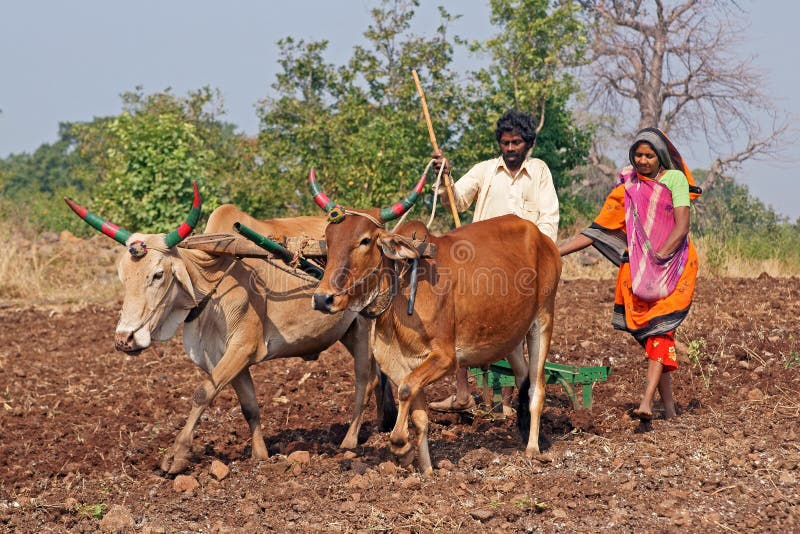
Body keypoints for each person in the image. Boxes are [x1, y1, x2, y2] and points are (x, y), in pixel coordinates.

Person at [558, 127, 701, 423]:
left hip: (674, 267)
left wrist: (661, 254)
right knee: (654, 340)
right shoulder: (629, 187)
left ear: (660, 156)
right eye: (638, 154)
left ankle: (647, 402)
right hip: (640, 273)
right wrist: (554, 251)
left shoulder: (673, 179)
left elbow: (682, 224)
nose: (643, 160)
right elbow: (597, 230)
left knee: (660, 334)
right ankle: (671, 410)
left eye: (649, 155)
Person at [428, 109, 560, 415]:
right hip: (483, 263)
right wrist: (445, 175)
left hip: (526, 265)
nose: (511, 148)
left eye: (516, 143)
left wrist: (543, 261)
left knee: (522, 327)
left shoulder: (539, 172)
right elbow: (456, 199)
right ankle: (463, 392)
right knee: (461, 320)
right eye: (505, 143)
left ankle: (514, 393)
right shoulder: (485, 171)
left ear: (528, 143)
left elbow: (549, 219)